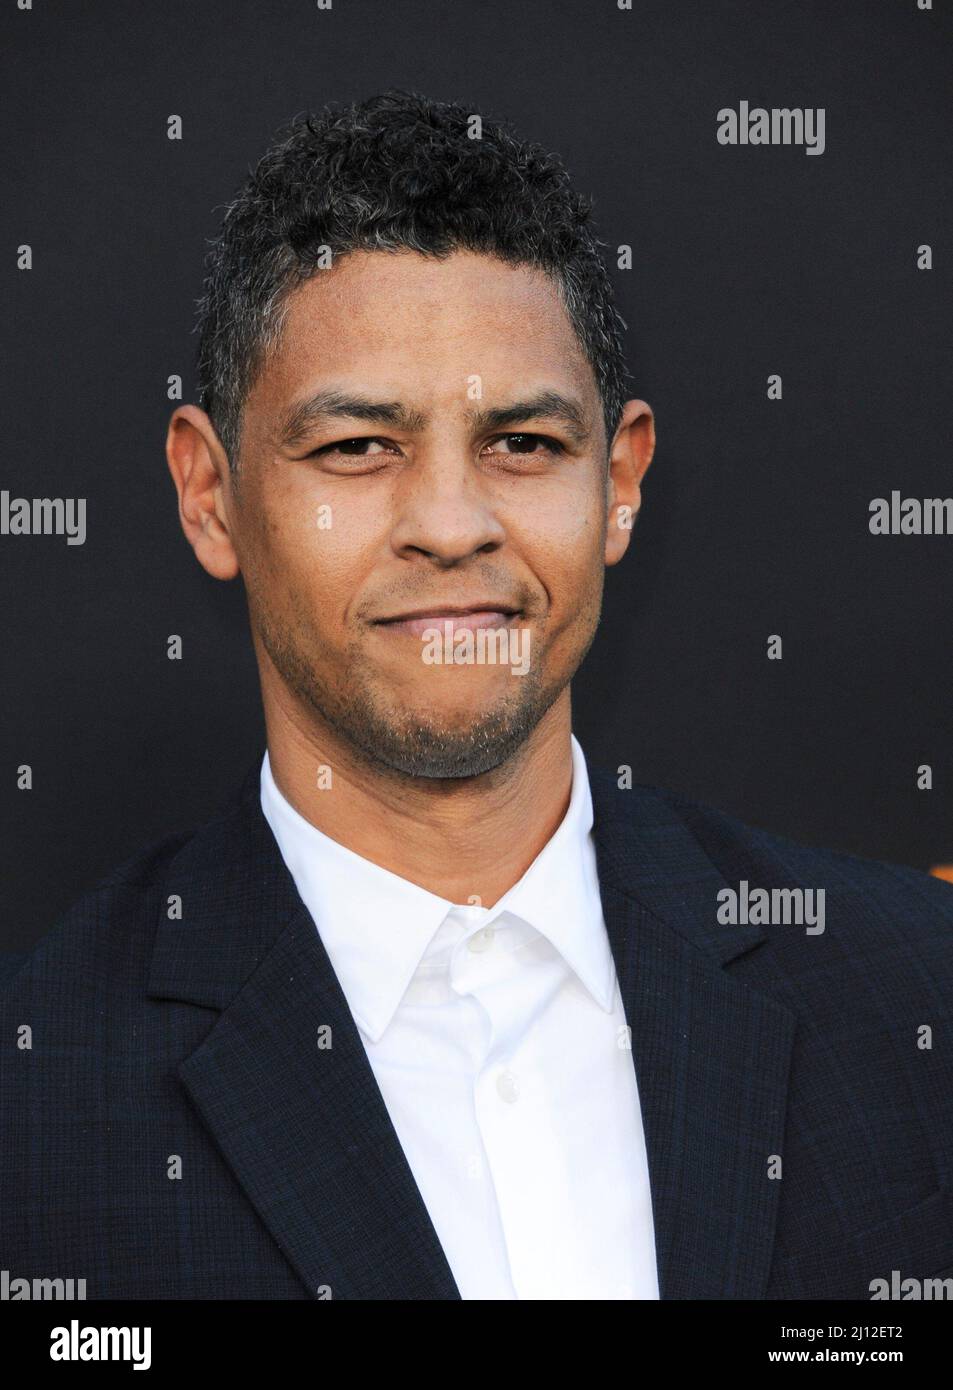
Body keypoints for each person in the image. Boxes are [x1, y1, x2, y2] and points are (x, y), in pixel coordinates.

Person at [3, 90, 952, 1302]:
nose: (451, 526)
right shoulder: (34, 1105)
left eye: (522, 443)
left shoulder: (913, 994)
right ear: (210, 492)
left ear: (619, 483)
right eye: (356, 447)